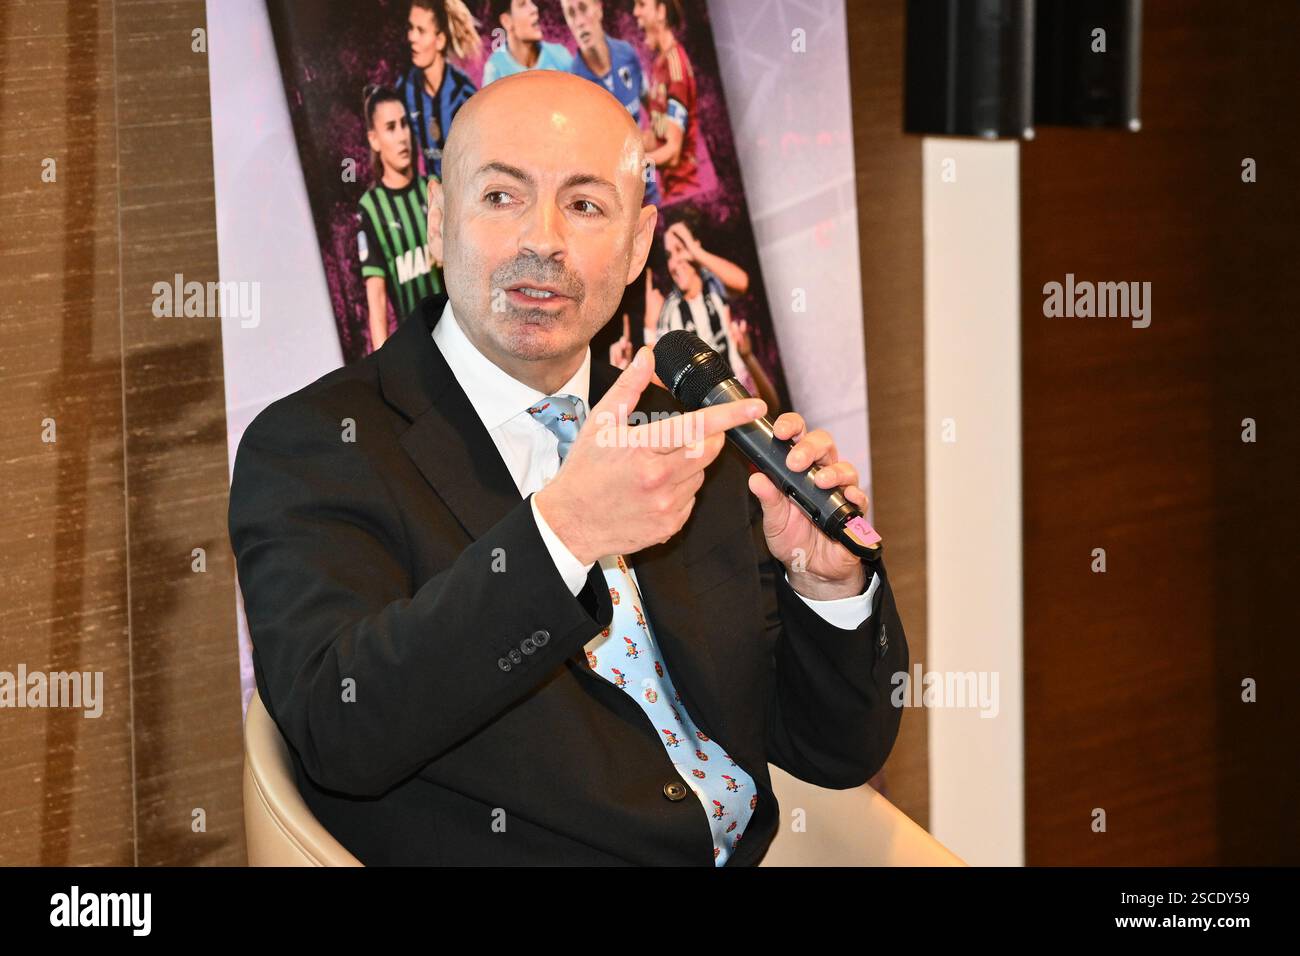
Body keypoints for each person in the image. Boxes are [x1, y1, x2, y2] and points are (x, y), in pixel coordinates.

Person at [229, 70, 906, 866]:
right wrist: (565, 531)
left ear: (637, 245)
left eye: (584, 205)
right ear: (440, 219)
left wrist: (825, 590)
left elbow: (832, 754)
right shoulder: (319, 445)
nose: (542, 240)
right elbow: (339, 730)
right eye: (501, 197)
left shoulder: (683, 432)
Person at [355, 85, 443, 351]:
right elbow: (377, 299)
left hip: (458, 336)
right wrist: (383, 368)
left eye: (404, 124)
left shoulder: (433, 187)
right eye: (390, 127)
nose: (402, 136)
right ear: (373, 139)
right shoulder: (371, 208)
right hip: (416, 348)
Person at [561, 0, 662, 206]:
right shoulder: (574, 86)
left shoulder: (627, 53)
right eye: (571, 14)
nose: (579, 21)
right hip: (618, 201)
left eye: (583, 9)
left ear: (598, 8)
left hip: (652, 188)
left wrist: (656, 131)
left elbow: (651, 103)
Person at [394, 0, 481, 182]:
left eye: (421, 31)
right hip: (426, 194)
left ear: (440, 41)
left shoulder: (464, 93)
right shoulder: (404, 88)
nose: (412, 37)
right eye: (410, 28)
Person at [632, 0, 700, 204]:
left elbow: (672, 153)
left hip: (687, 193)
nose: (635, 12)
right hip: (670, 190)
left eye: (642, 4)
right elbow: (658, 136)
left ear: (661, 12)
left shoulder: (675, 67)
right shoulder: (659, 63)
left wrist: (636, 165)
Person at [480, 0, 574, 86]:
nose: (534, 9)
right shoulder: (495, 69)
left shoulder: (560, 56)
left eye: (532, 2)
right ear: (506, 21)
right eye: (522, 4)